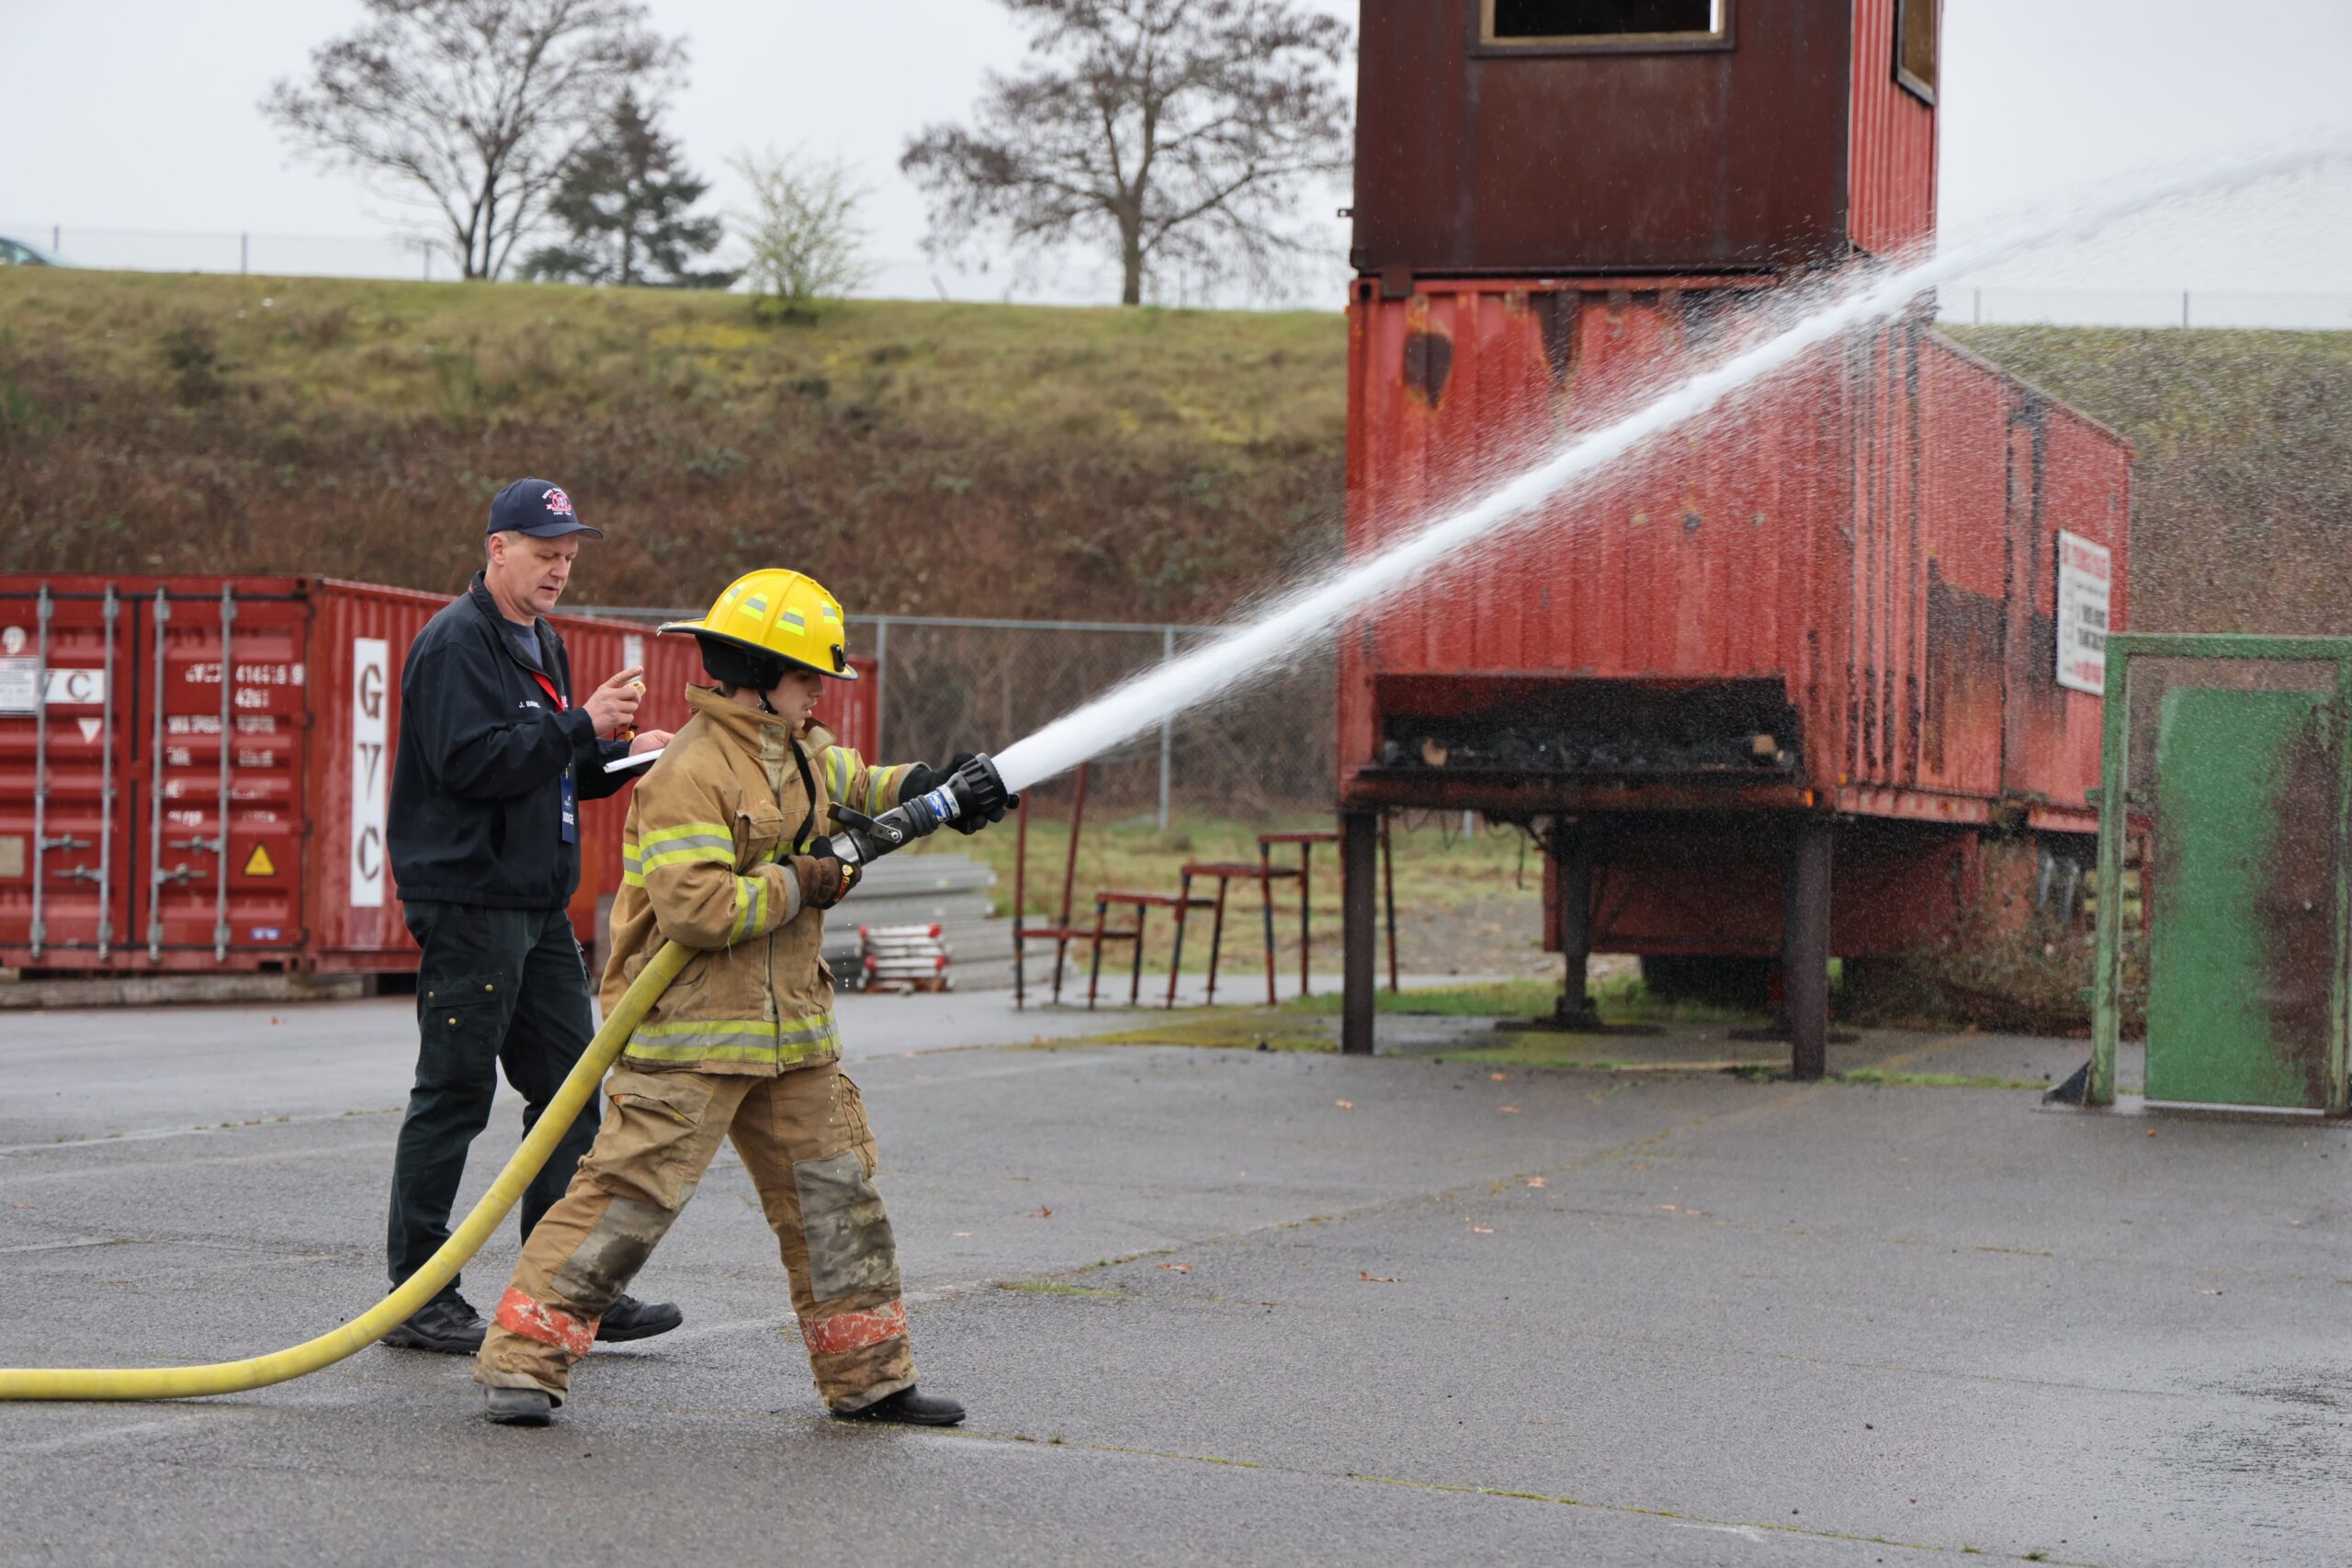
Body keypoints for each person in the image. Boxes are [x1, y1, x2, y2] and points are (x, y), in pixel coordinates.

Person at [471, 568, 1010, 1427]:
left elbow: (858, 783)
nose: (816, 698)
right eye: (806, 681)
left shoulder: (796, 749)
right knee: (627, 1200)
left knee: (837, 1199)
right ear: (759, 675)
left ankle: (870, 1380)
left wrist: (940, 788)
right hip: (692, 1033)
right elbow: (699, 906)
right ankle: (524, 1365)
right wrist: (809, 879)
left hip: (792, 1032)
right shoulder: (691, 770)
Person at [379, 478, 684, 1354]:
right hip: (472, 904)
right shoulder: (455, 644)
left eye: (568, 556)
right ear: (497, 548)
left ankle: (563, 1286)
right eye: (545, 553)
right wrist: (579, 725)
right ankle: (416, 1294)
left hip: (536, 905)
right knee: (454, 1094)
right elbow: (469, 765)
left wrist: (627, 755)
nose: (559, 569)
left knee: (571, 1092)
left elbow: (547, 769)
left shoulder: (539, 641)